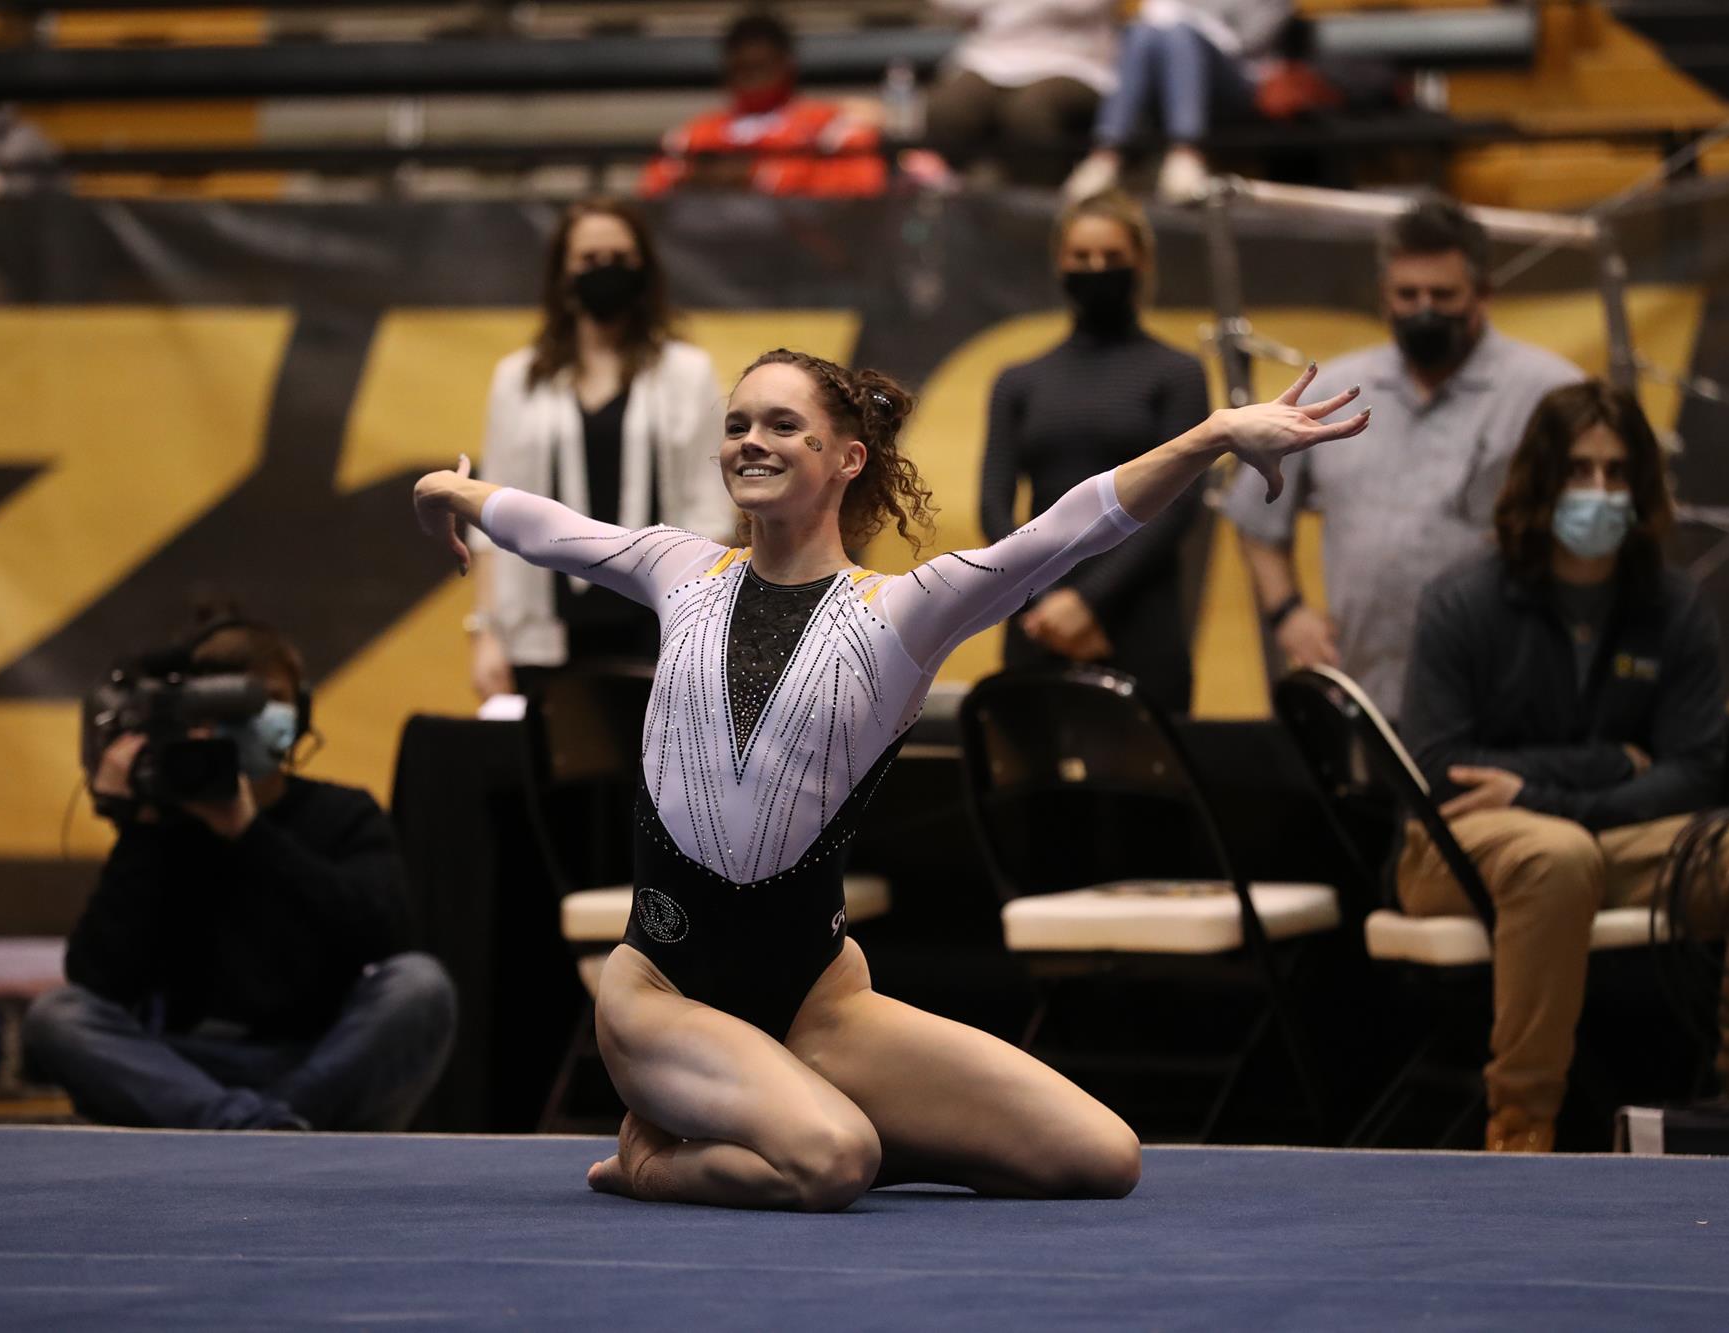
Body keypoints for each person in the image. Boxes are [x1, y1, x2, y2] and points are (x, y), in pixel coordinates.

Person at [415, 349, 1369, 1209]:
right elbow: (553, 529)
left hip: (819, 1000)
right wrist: (453, 495)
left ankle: (798, 1116)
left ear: (846, 459)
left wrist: (1209, 436)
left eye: (785, 425)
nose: (753, 440)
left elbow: (1066, 530)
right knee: (831, 1161)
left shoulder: (905, 613)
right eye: (739, 424)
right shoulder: (680, 571)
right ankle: (652, 1161)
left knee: (1099, 1157)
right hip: (666, 991)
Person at [1398, 383, 1729, 1153]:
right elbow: (1442, 769)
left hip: (1612, 840)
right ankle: (1521, 1127)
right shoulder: (1460, 602)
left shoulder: (1674, 604)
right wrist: (1608, 766)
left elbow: (1692, 772)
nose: (1599, 491)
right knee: (1556, 855)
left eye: (1617, 472)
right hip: (1460, 846)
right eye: (1578, 471)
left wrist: (1541, 791)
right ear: (1540, 480)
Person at [25, 618, 457, 1131]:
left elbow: (388, 935)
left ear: (301, 712)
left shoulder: (343, 812)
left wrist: (250, 834)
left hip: (320, 1060)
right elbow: (98, 979)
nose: (251, 717)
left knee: (422, 986)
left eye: (268, 698)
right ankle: (260, 1127)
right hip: (189, 1067)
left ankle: (248, 1126)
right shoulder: (165, 824)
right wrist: (139, 827)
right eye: (227, 704)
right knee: (57, 1016)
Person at [1223, 195, 1583, 719]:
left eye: (1442, 294)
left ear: (1482, 294)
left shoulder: (1551, 394)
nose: (1424, 310)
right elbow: (1254, 513)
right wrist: (1287, 613)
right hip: (1365, 694)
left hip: (1504, 699)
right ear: (1383, 297)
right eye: (1407, 294)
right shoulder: (1335, 392)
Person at [467, 198, 731, 699]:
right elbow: (491, 518)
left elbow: (710, 509)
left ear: (644, 270)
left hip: (660, 630)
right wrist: (486, 634)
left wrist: (704, 628)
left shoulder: (686, 372)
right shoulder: (517, 379)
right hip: (542, 634)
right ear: (562, 274)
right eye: (588, 259)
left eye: (619, 258)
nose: (604, 271)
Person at [980, 189, 1210, 712]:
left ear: (1142, 265)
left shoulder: (1176, 374)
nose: (1096, 268)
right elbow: (993, 507)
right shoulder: (1019, 381)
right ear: (1059, 264)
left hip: (1140, 619)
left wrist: (1087, 601)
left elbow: (1179, 506)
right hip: (1037, 624)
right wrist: (1044, 601)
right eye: (1081, 258)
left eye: (1112, 258)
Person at [1063, 0, 1293, 204]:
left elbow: (1250, 40)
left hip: (1239, 79)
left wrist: (1193, 26)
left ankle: (1186, 152)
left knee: (1181, 35)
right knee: (1141, 32)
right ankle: (1106, 156)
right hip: (1169, 70)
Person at [639, 11, 885, 200]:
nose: (752, 77)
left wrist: (761, 177)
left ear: (787, 65)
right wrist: (697, 180)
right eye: (742, 67)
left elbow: (863, 186)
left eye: (762, 66)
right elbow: (653, 187)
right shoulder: (694, 135)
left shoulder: (831, 125)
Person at [924, 0, 1115, 189]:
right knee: (949, 108)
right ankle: (967, 191)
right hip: (990, 56)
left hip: (1073, 59)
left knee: (1029, 111)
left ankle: (1039, 198)